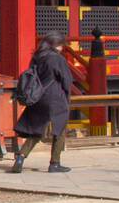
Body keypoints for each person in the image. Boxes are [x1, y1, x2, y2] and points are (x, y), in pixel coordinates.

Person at [11, 31, 74, 174]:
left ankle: (20, 157)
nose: (62, 48)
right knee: (60, 129)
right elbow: (66, 80)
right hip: (55, 97)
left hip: (37, 96)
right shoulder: (57, 59)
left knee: (37, 130)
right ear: (56, 45)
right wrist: (66, 95)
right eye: (61, 45)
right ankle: (55, 163)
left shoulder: (37, 57)